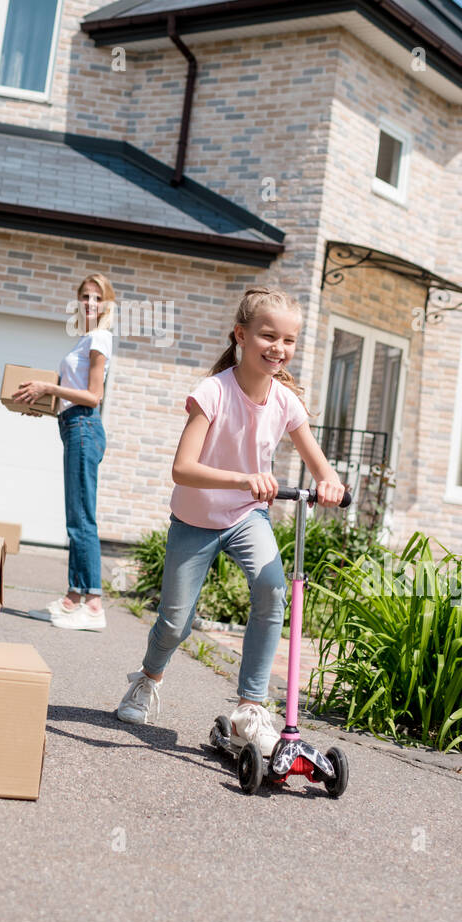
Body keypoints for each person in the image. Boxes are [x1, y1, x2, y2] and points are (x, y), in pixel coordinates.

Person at [115, 286, 345, 756]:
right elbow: (182, 468)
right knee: (176, 622)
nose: (278, 348)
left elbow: (321, 465)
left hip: (246, 517)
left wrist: (329, 483)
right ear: (241, 335)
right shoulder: (213, 392)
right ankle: (148, 677)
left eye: (289, 340)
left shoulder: (285, 402)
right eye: (267, 335)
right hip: (196, 519)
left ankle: (249, 710)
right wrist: (245, 479)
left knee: (272, 588)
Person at [13, 273, 114, 631]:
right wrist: (44, 400)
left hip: (85, 426)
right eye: (84, 296)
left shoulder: (100, 338)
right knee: (75, 515)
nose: (89, 303)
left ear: (107, 304)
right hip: (72, 425)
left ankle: (94, 605)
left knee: (81, 517)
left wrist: (46, 385)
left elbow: (93, 396)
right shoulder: (83, 340)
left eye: (96, 298)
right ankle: (73, 598)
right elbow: (71, 392)